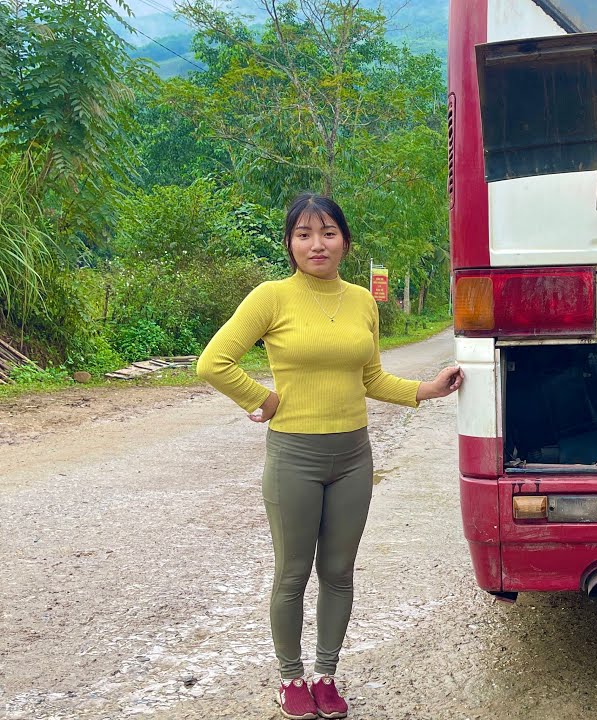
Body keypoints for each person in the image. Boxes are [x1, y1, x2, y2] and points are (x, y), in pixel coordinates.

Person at [196, 193, 463, 720]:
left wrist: (427, 390)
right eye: (303, 234)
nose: (316, 244)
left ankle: (326, 674)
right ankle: (290, 678)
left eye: (327, 233)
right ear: (290, 243)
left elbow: (370, 379)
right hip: (294, 456)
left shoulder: (362, 301)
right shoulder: (271, 298)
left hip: (353, 457)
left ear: (344, 241)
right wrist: (261, 399)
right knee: (292, 572)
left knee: (339, 571)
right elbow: (214, 362)